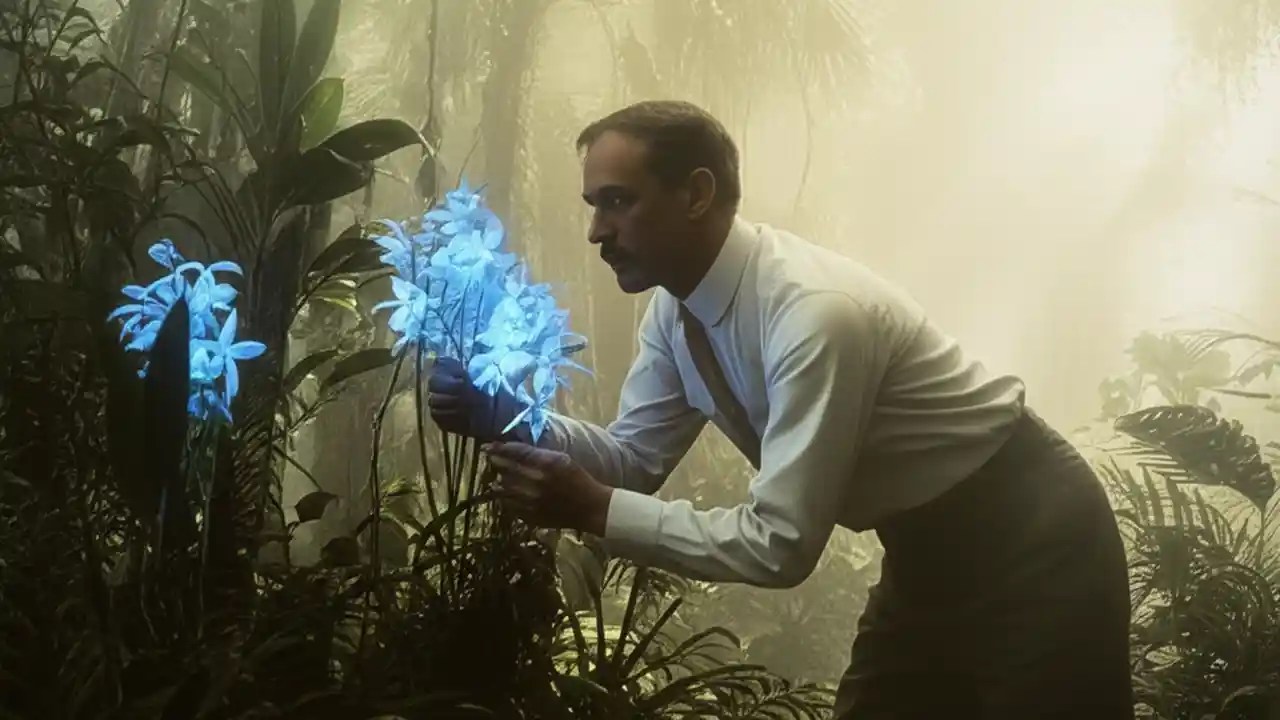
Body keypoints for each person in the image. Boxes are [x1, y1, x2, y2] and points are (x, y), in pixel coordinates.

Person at [426, 100, 1134, 719]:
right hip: (925, 554)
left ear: (696, 193)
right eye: (595, 205)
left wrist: (593, 508)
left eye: (618, 201)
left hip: (1035, 538)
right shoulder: (674, 313)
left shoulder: (814, 313)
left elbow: (781, 544)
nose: (596, 231)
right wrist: (504, 413)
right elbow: (632, 460)